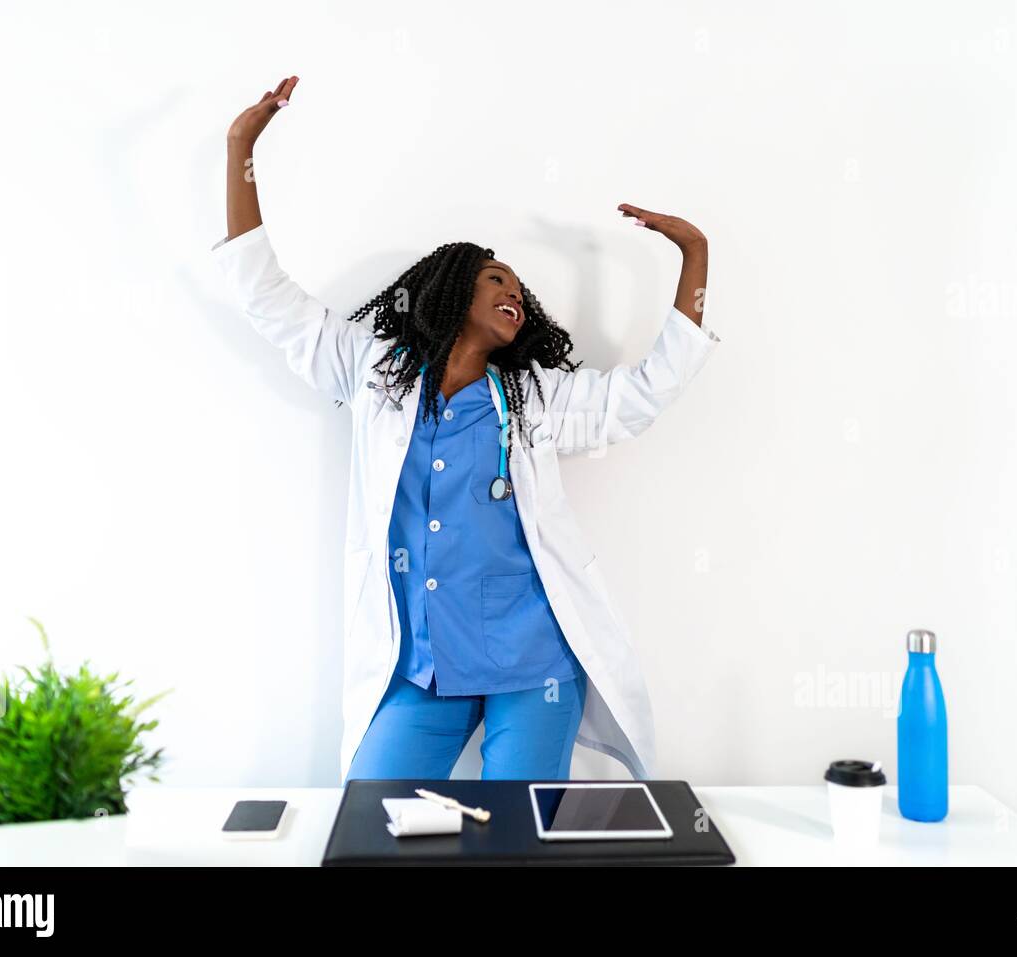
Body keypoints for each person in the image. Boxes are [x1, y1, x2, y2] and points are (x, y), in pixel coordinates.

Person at [212, 75, 720, 783]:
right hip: (421, 669)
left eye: (518, 287)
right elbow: (265, 296)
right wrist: (241, 147)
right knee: (371, 816)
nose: (513, 291)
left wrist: (695, 256)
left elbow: (640, 395)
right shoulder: (371, 373)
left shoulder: (534, 399)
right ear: (450, 291)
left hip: (533, 667)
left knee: (513, 840)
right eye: (495, 279)